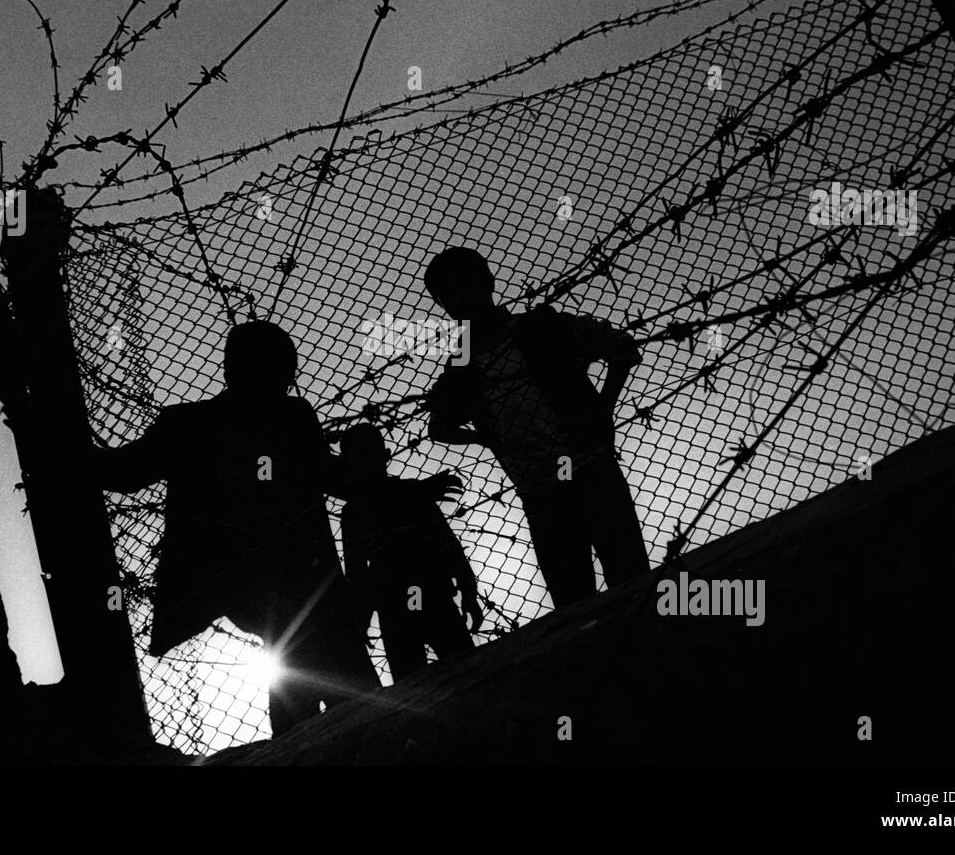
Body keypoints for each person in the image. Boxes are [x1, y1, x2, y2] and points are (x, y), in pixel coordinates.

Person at [89, 321, 381, 735]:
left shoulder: (193, 425)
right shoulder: (285, 417)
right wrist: (383, 486)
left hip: (256, 591)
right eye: (281, 368)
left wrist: (60, 443)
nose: (285, 379)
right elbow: (331, 475)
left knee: (304, 698)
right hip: (305, 586)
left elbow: (123, 472)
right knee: (354, 704)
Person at [423, 246, 651, 609]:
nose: (459, 299)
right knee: (574, 603)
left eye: (464, 285)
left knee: (633, 581)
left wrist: (603, 409)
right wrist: (487, 437)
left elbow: (622, 348)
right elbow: (440, 426)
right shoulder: (462, 364)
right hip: (540, 491)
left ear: (487, 283)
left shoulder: (541, 327)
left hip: (590, 468)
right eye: (448, 294)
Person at [338, 424, 482, 681]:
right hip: (400, 604)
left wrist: (469, 591)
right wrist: (361, 620)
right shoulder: (360, 510)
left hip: (425, 596)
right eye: (359, 455)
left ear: (385, 454)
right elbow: (357, 572)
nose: (366, 461)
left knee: (464, 673)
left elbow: (447, 544)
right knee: (424, 683)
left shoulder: (409, 493)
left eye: (368, 453)